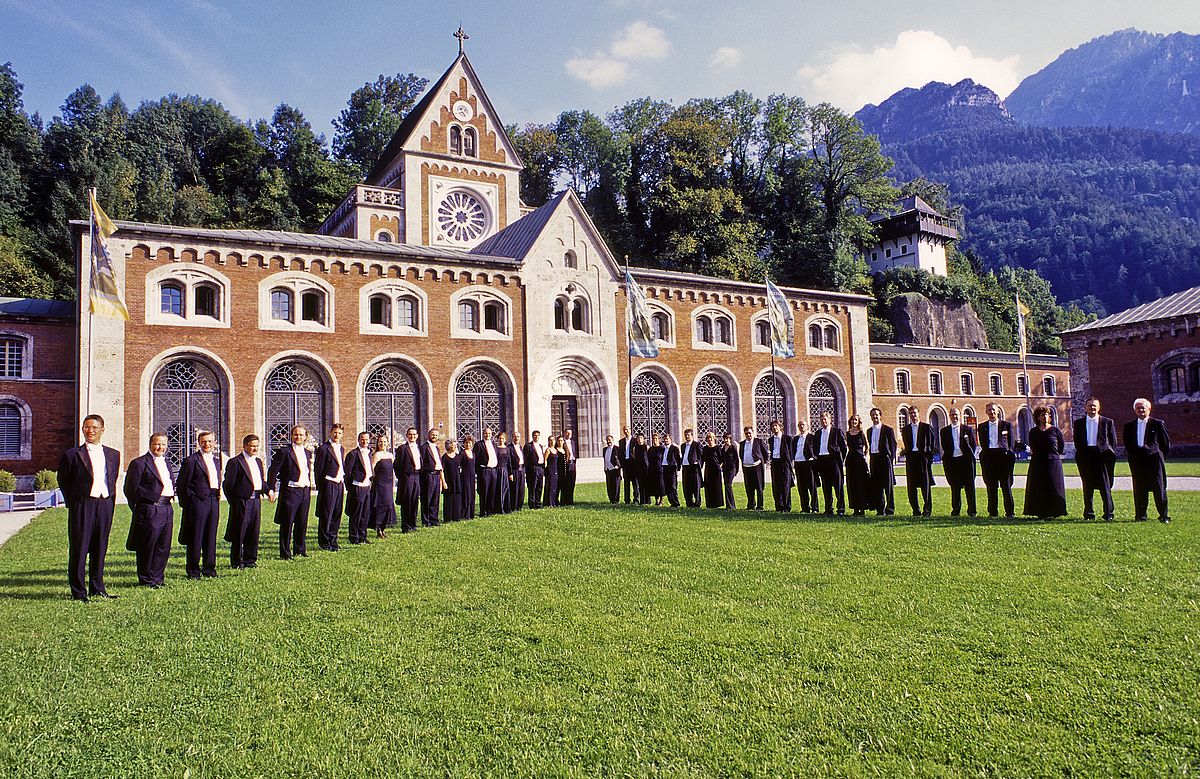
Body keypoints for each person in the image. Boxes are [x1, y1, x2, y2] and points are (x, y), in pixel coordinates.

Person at [57, 414, 121, 601]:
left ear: (102, 429)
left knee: (100, 546)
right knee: (79, 547)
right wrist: (74, 502)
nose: (90, 431)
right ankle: (78, 591)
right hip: (82, 504)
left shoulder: (113, 454)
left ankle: (97, 587)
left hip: (104, 504)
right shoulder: (72, 455)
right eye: (86, 427)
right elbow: (64, 480)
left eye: (94, 427)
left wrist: (109, 499)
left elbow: (112, 478)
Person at [124, 432, 175, 587]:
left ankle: (158, 578)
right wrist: (144, 505)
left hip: (167, 508)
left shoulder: (166, 463)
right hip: (150, 509)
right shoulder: (139, 463)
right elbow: (130, 489)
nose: (160, 447)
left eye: (163, 444)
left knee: (163, 545)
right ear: (151, 444)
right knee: (148, 545)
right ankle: (146, 579)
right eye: (157, 444)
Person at [176, 430, 223, 577]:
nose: (207, 444)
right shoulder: (191, 461)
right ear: (199, 443)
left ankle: (209, 568)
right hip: (197, 502)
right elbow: (181, 484)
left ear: (214, 443)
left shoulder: (217, 460)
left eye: (210, 441)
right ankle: (193, 570)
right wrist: (189, 503)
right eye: (204, 442)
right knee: (196, 536)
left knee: (211, 535)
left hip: (213, 500)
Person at [221, 433, 269, 568]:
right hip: (242, 501)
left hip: (256, 501)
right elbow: (228, 485)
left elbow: (260, 481)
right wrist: (235, 502)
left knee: (253, 531)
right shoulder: (235, 462)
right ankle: (237, 561)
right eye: (252, 446)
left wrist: (268, 490)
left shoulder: (258, 461)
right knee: (239, 531)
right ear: (244, 446)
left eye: (257, 446)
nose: (255, 449)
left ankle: (250, 559)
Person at [266, 425, 314, 560]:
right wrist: (271, 488)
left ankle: (300, 549)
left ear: (305, 437)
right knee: (287, 522)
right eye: (295, 434)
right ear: (291, 436)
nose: (298, 437)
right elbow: (273, 471)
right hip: (291, 491)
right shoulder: (284, 451)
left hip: (304, 491)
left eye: (301, 435)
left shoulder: (307, 452)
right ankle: (285, 552)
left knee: (302, 521)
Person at [1123, 398, 1171, 523]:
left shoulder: (1158, 424)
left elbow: (1165, 444)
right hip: (1137, 461)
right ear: (1135, 410)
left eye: (1143, 407)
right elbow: (1127, 443)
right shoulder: (1129, 426)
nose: (1141, 410)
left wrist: (1158, 455)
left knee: (1159, 487)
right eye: (1138, 408)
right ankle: (1140, 516)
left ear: (1149, 409)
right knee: (1139, 488)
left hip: (1154, 460)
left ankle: (1163, 516)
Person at [1074, 397, 1117, 521]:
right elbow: (1077, 440)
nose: (1092, 408)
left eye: (1094, 406)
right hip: (1086, 456)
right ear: (1085, 407)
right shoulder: (1079, 423)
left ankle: (1108, 513)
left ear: (1099, 407)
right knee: (1087, 486)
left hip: (1102, 456)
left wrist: (1108, 454)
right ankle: (1089, 513)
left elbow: (1112, 441)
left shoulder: (1108, 422)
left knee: (1105, 486)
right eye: (1089, 406)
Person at [1024, 406, 1067, 519]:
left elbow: (1061, 447)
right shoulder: (1033, 431)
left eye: (1048, 414)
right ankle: (1040, 511)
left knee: (1053, 486)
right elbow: (1032, 446)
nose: (1046, 417)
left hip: (1053, 462)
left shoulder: (1055, 431)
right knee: (1039, 486)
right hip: (1038, 462)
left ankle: (1055, 511)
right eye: (1043, 415)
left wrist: (1053, 455)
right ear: (1038, 417)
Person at [977, 403, 1017, 518]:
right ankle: (993, 512)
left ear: (998, 411)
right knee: (991, 486)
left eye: (993, 410)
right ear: (986, 412)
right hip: (989, 457)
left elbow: (1011, 443)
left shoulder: (1006, 425)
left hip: (1003, 457)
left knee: (1006, 486)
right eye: (989, 410)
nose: (991, 412)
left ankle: (1010, 512)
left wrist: (1008, 453)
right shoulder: (982, 426)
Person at [939, 407, 978, 517]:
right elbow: (945, 446)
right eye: (952, 415)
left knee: (970, 487)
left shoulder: (968, 429)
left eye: (956, 414)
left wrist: (969, 457)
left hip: (966, 461)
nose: (954, 417)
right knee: (955, 487)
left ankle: (972, 511)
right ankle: (956, 510)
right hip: (952, 461)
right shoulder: (944, 431)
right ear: (949, 416)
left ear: (960, 415)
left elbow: (973, 445)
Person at [806, 412, 847, 515]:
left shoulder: (837, 432)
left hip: (834, 461)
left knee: (838, 486)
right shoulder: (818, 433)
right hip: (822, 460)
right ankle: (829, 508)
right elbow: (815, 446)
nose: (823, 421)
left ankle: (841, 508)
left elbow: (843, 447)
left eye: (825, 419)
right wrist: (816, 457)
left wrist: (840, 458)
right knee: (826, 486)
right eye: (822, 419)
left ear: (830, 420)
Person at [314, 423, 346, 552]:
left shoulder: (342, 448)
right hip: (328, 483)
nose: (336, 435)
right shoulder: (324, 448)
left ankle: (333, 540)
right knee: (326, 513)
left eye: (339, 433)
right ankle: (324, 542)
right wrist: (322, 487)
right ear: (330, 433)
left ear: (342, 434)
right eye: (334, 432)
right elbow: (318, 469)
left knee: (337, 513)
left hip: (339, 483)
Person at [902, 405, 935, 517]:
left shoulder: (926, 427)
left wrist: (928, 458)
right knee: (911, 485)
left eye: (914, 413)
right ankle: (915, 510)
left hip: (923, 458)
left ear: (918, 413)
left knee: (925, 485)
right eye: (911, 413)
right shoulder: (906, 429)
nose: (913, 415)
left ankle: (927, 509)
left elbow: (931, 442)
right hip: (911, 458)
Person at [865, 408, 896, 515]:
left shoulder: (888, 430)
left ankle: (890, 509)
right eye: (873, 415)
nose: (875, 417)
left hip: (885, 459)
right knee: (877, 486)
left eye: (877, 415)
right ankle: (880, 508)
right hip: (874, 459)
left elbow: (893, 446)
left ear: (880, 416)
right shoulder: (869, 431)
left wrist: (890, 459)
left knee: (888, 486)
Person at [344, 431, 373, 544]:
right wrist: (351, 488)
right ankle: (354, 537)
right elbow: (348, 473)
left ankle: (363, 536)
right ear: (358, 440)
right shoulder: (353, 454)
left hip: (367, 486)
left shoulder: (369, 453)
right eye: (362, 439)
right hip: (357, 486)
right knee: (356, 513)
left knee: (365, 513)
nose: (364, 441)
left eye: (366, 439)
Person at [394, 427, 422, 532]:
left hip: (417, 476)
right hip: (407, 477)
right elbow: (396, 465)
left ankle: (413, 524)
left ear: (417, 436)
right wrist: (402, 477)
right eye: (410, 434)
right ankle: (406, 526)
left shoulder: (418, 447)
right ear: (407, 435)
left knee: (415, 501)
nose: (412, 436)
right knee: (407, 501)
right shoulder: (402, 448)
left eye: (414, 434)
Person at [845, 414, 871, 517]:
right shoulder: (847, 434)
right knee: (852, 485)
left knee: (861, 484)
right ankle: (855, 508)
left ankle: (863, 508)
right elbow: (847, 446)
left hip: (860, 461)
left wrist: (864, 457)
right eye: (852, 420)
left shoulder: (861, 433)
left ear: (858, 421)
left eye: (855, 420)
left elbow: (867, 447)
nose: (854, 422)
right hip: (851, 460)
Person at [370, 435, 396, 537]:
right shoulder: (376, 455)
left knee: (388, 505)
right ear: (377, 443)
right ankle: (378, 530)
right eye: (380, 442)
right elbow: (372, 469)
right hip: (380, 484)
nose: (382, 444)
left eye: (384, 442)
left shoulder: (390, 455)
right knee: (380, 505)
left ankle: (384, 528)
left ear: (388, 443)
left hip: (388, 483)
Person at [420, 428, 445, 527]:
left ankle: (434, 519)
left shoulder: (437, 448)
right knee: (427, 498)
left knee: (435, 498)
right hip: (428, 475)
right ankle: (426, 521)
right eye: (432, 435)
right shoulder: (423, 448)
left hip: (436, 475)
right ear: (428, 435)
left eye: (436, 435)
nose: (434, 437)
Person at [738, 427, 769, 510]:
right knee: (749, 487)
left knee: (759, 487)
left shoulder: (759, 441)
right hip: (746, 467)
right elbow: (741, 455)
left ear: (753, 433)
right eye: (746, 433)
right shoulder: (742, 443)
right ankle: (751, 505)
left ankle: (760, 505)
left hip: (757, 467)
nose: (748, 435)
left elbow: (765, 453)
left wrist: (763, 463)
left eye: (750, 433)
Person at [766, 420, 793, 512]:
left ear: (780, 427)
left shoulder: (787, 438)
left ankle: (786, 506)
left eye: (776, 426)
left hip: (784, 463)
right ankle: (778, 505)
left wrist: (789, 463)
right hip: (775, 462)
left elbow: (791, 452)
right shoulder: (771, 440)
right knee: (776, 485)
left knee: (785, 485)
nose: (774, 428)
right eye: (773, 426)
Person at [791, 420, 818, 513]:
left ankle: (815, 507)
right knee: (801, 487)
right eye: (800, 425)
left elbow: (816, 450)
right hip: (798, 463)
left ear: (807, 426)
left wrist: (813, 458)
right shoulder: (795, 439)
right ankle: (805, 507)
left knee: (812, 486)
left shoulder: (812, 438)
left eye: (803, 425)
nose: (801, 427)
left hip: (808, 463)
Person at [474, 427, 500, 517]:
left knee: (492, 491)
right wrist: (479, 472)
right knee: (484, 491)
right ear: (483, 434)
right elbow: (476, 460)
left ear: (491, 434)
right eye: (486, 433)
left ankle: (490, 510)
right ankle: (483, 511)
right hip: (484, 471)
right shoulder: (478, 444)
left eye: (489, 433)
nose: (487, 435)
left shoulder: (493, 444)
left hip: (493, 470)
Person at [700, 432, 726, 508]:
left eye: (711, 438)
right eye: (708, 438)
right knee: (708, 486)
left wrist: (719, 467)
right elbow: (703, 459)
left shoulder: (717, 448)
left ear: (714, 438)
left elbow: (721, 459)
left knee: (716, 486)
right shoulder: (705, 448)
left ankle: (717, 503)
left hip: (716, 469)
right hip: (708, 468)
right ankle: (709, 503)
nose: (709, 439)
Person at [679, 429, 702, 508]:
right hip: (685, 467)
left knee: (695, 486)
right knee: (686, 486)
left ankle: (697, 502)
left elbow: (700, 456)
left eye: (688, 435)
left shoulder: (697, 444)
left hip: (694, 467)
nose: (687, 436)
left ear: (692, 435)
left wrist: (699, 465)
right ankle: (689, 503)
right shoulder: (683, 446)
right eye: (685, 435)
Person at [618, 425, 640, 504]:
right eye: (624, 430)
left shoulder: (635, 441)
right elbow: (620, 453)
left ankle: (636, 499)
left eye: (627, 430)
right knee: (626, 483)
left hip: (633, 464)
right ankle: (627, 500)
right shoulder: (621, 442)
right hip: (625, 464)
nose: (626, 431)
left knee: (635, 483)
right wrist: (621, 463)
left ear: (630, 430)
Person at [442, 439, 462, 522]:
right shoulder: (444, 457)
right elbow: (442, 470)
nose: (454, 446)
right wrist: (443, 482)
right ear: (449, 446)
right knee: (448, 499)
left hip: (457, 479)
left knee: (457, 498)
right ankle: (448, 517)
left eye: (455, 445)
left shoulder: (458, 456)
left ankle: (456, 516)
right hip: (448, 479)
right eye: (453, 445)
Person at [524, 431, 545, 509]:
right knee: (532, 487)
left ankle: (538, 503)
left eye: (538, 436)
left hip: (540, 468)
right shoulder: (528, 446)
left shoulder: (540, 446)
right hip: (532, 468)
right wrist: (527, 471)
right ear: (532, 436)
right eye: (535, 435)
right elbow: (525, 459)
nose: (536, 437)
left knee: (539, 487)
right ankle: (532, 504)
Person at [660, 432, 682, 508]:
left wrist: (678, 470)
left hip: (672, 469)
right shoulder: (662, 449)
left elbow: (678, 459)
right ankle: (672, 502)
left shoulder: (674, 448)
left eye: (667, 439)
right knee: (667, 486)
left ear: (670, 440)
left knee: (673, 486)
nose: (666, 440)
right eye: (665, 439)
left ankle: (676, 503)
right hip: (664, 468)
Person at [720, 433, 741, 509]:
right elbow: (721, 459)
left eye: (727, 439)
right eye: (725, 439)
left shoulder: (733, 448)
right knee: (726, 486)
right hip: (725, 469)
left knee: (728, 485)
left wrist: (736, 471)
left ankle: (732, 505)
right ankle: (728, 505)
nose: (725, 440)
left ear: (730, 439)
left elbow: (736, 460)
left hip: (732, 468)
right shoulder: (723, 449)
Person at [460, 435, 478, 519]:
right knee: (466, 494)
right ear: (464, 444)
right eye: (466, 443)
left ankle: (471, 513)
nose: (468, 445)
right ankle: (465, 514)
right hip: (465, 476)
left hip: (472, 476)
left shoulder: (474, 454)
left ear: (472, 444)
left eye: (470, 443)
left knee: (472, 494)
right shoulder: (462, 454)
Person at [507, 431, 526, 512]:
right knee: (514, 489)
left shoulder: (520, 447)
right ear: (512, 437)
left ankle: (519, 506)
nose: (516, 438)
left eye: (518, 436)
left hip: (521, 470)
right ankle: (513, 507)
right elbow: (509, 462)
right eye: (515, 436)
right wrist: (510, 473)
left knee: (521, 489)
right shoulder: (509, 448)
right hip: (514, 471)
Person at [646, 432, 666, 505]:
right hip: (652, 468)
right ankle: (656, 500)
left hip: (660, 468)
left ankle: (661, 500)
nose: (655, 440)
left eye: (656, 439)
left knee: (660, 484)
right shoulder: (650, 449)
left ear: (659, 440)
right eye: (654, 439)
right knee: (654, 484)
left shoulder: (662, 449)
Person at [495, 431, 512, 514]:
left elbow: (509, 462)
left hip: (505, 471)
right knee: (498, 489)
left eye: (503, 438)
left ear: (505, 439)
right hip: (497, 471)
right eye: (500, 438)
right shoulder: (495, 448)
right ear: (498, 439)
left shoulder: (507, 449)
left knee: (505, 488)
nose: (501, 440)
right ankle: (498, 508)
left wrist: (510, 473)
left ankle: (505, 508)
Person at [602, 434, 621, 504]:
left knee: (616, 485)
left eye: (610, 440)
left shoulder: (617, 448)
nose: (608, 441)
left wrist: (618, 466)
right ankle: (611, 499)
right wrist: (604, 467)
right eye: (607, 440)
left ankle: (616, 500)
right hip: (608, 469)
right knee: (609, 485)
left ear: (613, 440)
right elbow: (605, 459)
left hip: (615, 469)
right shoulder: (604, 449)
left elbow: (620, 458)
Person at [632, 432, 650, 505]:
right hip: (638, 468)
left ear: (644, 439)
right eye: (638, 438)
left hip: (646, 468)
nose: (640, 439)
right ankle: (642, 501)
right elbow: (634, 457)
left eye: (641, 438)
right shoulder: (634, 448)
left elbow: (649, 457)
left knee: (647, 484)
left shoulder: (647, 447)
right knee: (640, 484)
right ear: (636, 439)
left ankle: (647, 501)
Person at [560, 429, 577, 505]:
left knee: (572, 482)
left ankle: (570, 500)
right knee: (566, 483)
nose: (568, 434)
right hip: (566, 464)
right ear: (564, 433)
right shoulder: (562, 442)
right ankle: (564, 501)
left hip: (573, 464)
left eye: (570, 433)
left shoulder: (573, 442)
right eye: (567, 433)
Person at [543, 437, 560, 508]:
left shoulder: (556, 450)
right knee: (549, 486)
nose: (552, 442)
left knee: (554, 486)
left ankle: (554, 502)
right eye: (550, 440)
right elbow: (545, 460)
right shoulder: (548, 450)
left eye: (553, 440)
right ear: (548, 442)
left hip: (556, 470)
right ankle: (548, 502)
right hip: (550, 470)